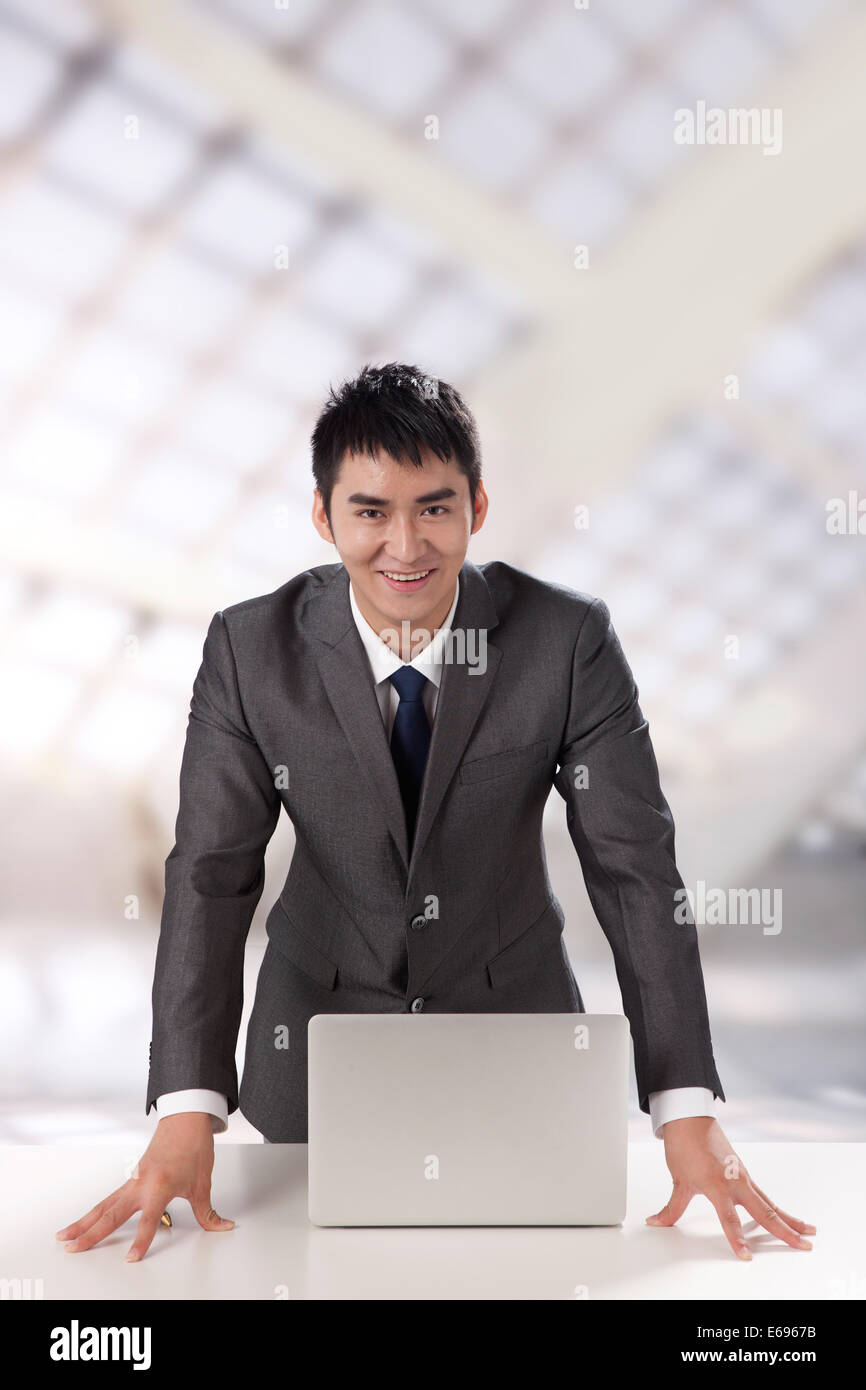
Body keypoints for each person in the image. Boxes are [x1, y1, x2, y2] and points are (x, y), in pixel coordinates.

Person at [57, 362, 815, 1264]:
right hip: (314, 1065)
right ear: (324, 515)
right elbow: (210, 874)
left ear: (478, 508)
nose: (405, 546)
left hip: (519, 1052)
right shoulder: (250, 649)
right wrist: (189, 1108)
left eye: (435, 507)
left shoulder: (566, 642)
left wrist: (682, 1105)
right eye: (371, 511)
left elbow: (635, 869)